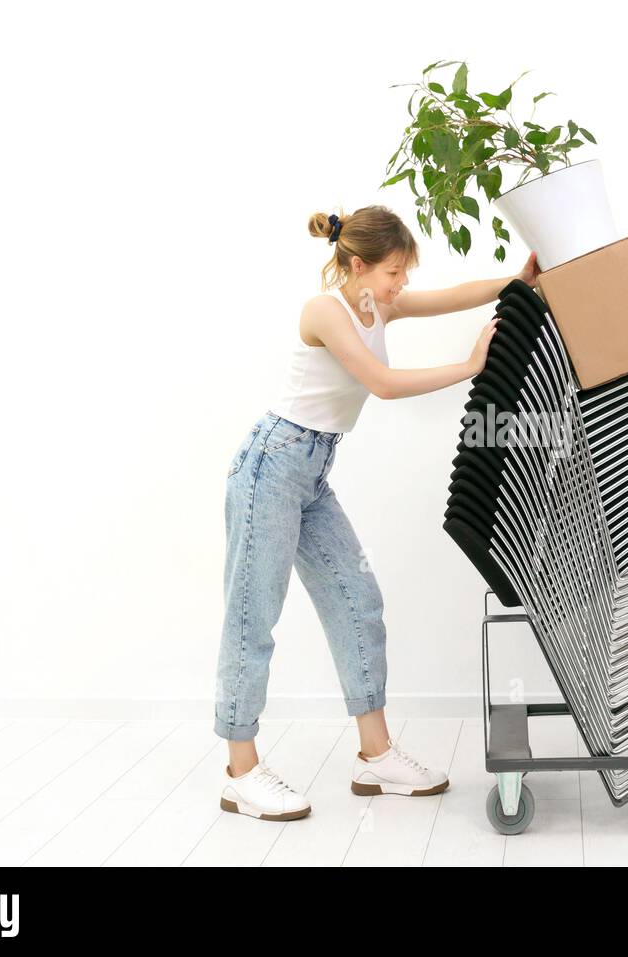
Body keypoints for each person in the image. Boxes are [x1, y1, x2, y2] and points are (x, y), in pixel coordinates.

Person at [214, 203, 541, 821]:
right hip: (270, 469)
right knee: (254, 616)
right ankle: (241, 770)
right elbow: (383, 385)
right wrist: (470, 367)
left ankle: (375, 756)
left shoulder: (376, 303)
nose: (402, 286)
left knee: (356, 598)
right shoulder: (324, 313)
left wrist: (516, 281)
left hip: (311, 472)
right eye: (394, 273)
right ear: (358, 265)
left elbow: (449, 296)